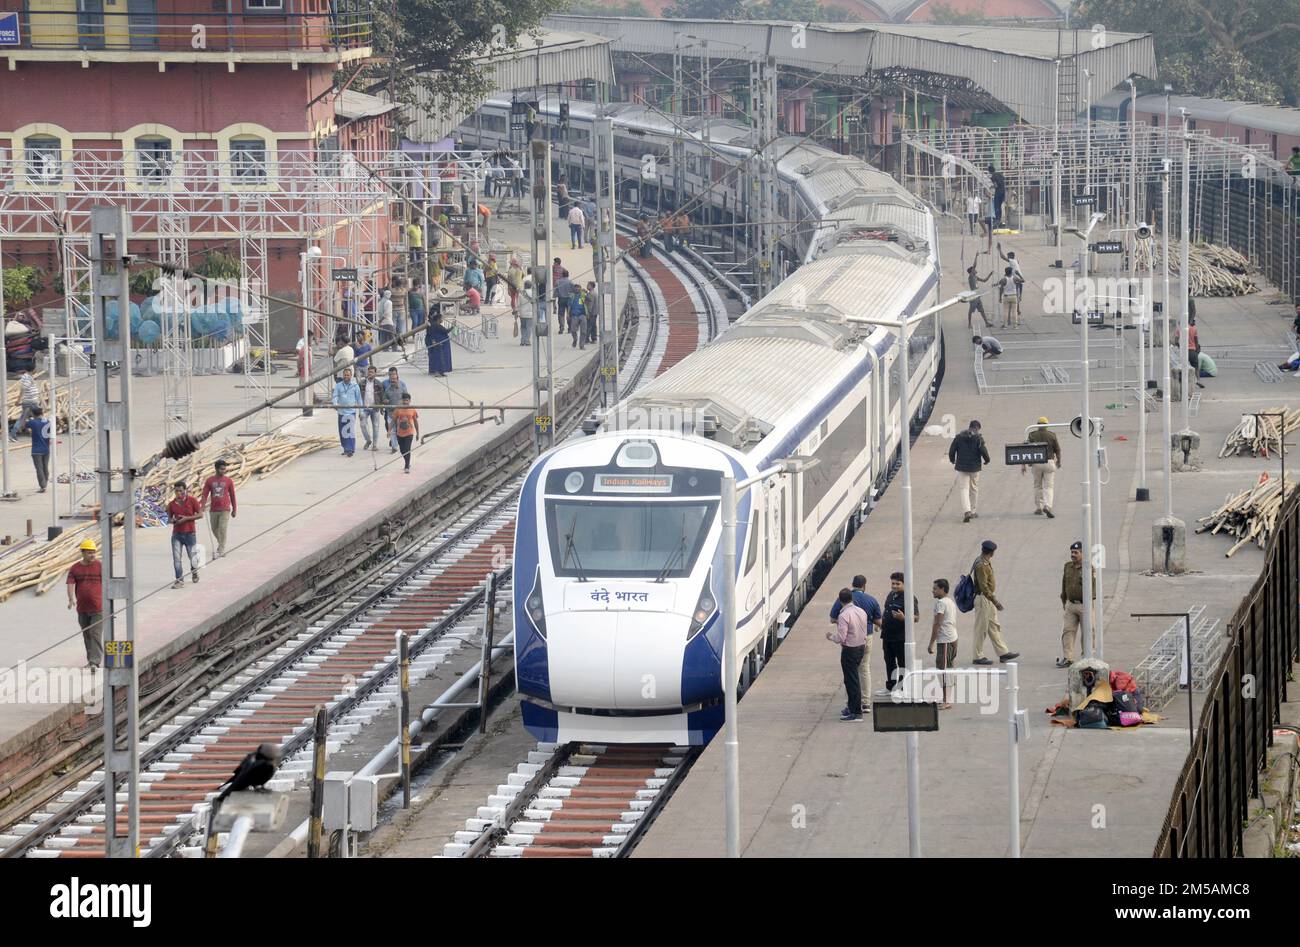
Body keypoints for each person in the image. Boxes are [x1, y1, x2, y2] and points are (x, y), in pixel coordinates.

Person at [830, 574, 882, 712]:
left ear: (852, 585)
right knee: (864, 668)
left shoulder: (844, 601)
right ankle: (865, 702)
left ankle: (851, 704)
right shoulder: (871, 600)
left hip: (849, 642)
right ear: (864, 586)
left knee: (850, 674)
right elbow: (879, 622)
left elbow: (832, 618)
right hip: (866, 638)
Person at [970, 540, 1019, 665]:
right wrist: (995, 601)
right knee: (981, 629)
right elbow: (984, 587)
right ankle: (977, 656)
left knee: (994, 625)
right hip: (984, 599)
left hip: (988, 599)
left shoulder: (984, 561)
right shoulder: (981, 565)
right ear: (991, 552)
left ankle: (1003, 653)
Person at [825, 588, 869, 722]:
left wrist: (831, 637)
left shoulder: (843, 615)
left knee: (851, 681)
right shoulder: (861, 611)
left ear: (840, 600)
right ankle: (852, 707)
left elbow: (841, 638)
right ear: (852, 598)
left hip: (850, 650)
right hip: (861, 647)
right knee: (853, 678)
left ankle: (856, 712)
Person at [879, 572, 920, 695]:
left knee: (902, 663)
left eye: (898, 584)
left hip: (900, 637)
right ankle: (890, 686)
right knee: (889, 662)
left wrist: (904, 617)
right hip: (887, 636)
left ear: (904, 584)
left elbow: (916, 618)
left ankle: (903, 688)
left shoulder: (909, 597)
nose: (895, 586)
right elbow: (886, 610)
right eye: (893, 583)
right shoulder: (891, 595)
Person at [66, 539, 103, 668]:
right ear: (82, 553)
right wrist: (71, 598)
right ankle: (90, 660)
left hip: (98, 608)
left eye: (93, 552)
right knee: (87, 635)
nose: (92, 555)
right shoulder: (75, 568)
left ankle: (95, 662)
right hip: (82, 609)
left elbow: (108, 582)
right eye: (89, 552)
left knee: (95, 634)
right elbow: (70, 583)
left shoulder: (100, 566)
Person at [1059, 540, 1096, 667]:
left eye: (1076, 552)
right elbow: (1064, 584)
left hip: (1084, 605)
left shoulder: (1088, 568)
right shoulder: (1067, 566)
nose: (1073, 555)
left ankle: (1087, 657)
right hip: (1070, 605)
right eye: (1072, 552)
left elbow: (1093, 586)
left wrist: (1090, 603)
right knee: (1067, 631)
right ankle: (1067, 658)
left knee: (1088, 632)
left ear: (1083, 554)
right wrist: (1064, 600)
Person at [948, 419, 990, 523]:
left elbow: (952, 450)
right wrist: (987, 460)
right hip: (974, 468)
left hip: (962, 467)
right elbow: (983, 450)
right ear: (978, 428)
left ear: (969, 426)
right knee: (974, 488)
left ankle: (967, 511)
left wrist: (952, 459)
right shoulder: (978, 438)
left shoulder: (959, 437)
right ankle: (973, 511)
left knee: (964, 489)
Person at [928, 579, 958, 709]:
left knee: (944, 670)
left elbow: (937, 624)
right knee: (947, 668)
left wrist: (931, 643)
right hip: (952, 638)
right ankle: (947, 698)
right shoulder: (950, 601)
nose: (933, 591)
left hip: (945, 640)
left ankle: (946, 700)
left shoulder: (940, 603)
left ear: (942, 589)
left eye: (935, 588)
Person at [166, 481, 203, 589]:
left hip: (190, 533)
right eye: (176, 491)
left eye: (181, 491)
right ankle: (179, 580)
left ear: (185, 490)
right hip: (177, 534)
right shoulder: (171, 504)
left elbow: (200, 514)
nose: (179, 493)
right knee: (177, 558)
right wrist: (173, 520)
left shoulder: (192, 501)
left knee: (192, 556)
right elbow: (169, 518)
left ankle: (194, 571)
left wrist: (187, 519)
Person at [1023, 416, 1061, 518]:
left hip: (1037, 462)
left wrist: (1024, 464)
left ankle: (1039, 507)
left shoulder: (1032, 435)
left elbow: (1025, 449)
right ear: (1047, 425)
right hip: (1049, 462)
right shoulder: (1052, 435)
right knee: (1049, 486)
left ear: (1037, 425)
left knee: (1037, 485)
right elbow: (1057, 450)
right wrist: (1059, 461)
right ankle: (1047, 506)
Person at [200, 459, 237, 559]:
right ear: (216, 469)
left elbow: (233, 495)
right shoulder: (210, 481)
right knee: (214, 529)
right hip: (213, 509)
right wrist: (202, 506)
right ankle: (221, 543)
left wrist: (234, 509)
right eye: (221, 469)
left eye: (225, 469)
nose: (223, 471)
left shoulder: (228, 481)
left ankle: (221, 548)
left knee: (222, 528)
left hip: (225, 509)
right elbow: (204, 494)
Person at [331, 366, 362, 457]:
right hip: (341, 412)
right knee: (342, 432)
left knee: (350, 431)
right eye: (345, 375)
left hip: (351, 412)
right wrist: (335, 404)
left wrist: (361, 411)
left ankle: (351, 449)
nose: (346, 376)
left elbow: (359, 399)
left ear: (351, 375)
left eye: (348, 375)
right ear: (343, 376)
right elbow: (335, 396)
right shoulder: (338, 385)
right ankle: (345, 448)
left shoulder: (355, 386)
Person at [380, 365, 410, 453]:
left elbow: (406, 398)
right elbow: (383, 397)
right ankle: (394, 446)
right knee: (391, 429)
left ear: (397, 376)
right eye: (391, 375)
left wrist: (407, 410)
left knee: (400, 429)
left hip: (400, 412)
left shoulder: (402, 386)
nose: (393, 378)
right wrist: (384, 402)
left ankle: (400, 443)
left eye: (394, 375)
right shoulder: (386, 387)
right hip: (390, 412)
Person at [25, 404, 51, 493]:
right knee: (45, 467)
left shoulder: (33, 422)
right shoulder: (48, 421)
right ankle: (45, 484)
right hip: (46, 449)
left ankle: (43, 486)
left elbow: (24, 425)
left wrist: (26, 414)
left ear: (33, 414)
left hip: (36, 450)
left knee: (39, 468)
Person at [8, 369, 39, 442]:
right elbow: (23, 389)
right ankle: (40, 435)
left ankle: (12, 435)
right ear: (32, 372)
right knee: (38, 418)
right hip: (31, 402)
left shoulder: (26, 377)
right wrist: (18, 400)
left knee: (22, 419)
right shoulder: (27, 377)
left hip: (28, 401)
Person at [392, 392, 420, 473]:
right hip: (400, 433)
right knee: (402, 450)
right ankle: (407, 461)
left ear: (409, 401)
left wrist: (418, 433)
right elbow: (393, 420)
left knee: (407, 449)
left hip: (409, 432)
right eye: (404, 400)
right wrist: (389, 430)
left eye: (407, 400)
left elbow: (415, 421)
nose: (405, 402)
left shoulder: (412, 409)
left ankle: (407, 466)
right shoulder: (398, 409)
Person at [358, 364, 383, 451]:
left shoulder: (379, 384)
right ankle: (368, 440)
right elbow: (358, 396)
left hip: (375, 408)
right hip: (364, 408)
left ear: (375, 373)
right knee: (363, 425)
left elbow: (381, 396)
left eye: (372, 372)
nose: (370, 374)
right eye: (369, 372)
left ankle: (375, 445)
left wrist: (381, 408)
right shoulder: (361, 383)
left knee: (375, 427)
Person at [426, 309, 452, 377]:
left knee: (440, 358)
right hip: (437, 344)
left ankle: (440, 371)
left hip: (438, 343)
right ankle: (437, 371)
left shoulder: (434, 324)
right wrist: (453, 327)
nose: (442, 319)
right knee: (438, 358)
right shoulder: (434, 324)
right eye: (441, 318)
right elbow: (444, 331)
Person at [966, 264, 992, 330]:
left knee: (982, 310)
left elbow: (984, 280)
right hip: (973, 296)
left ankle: (986, 323)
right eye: (974, 269)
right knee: (971, 311)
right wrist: (976, 256)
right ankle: (969, 324)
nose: (975, 270)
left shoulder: (975, 277)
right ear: (972, 271)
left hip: (978, 296)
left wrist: (990, 274)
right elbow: (974, 264)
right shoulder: (971, 276)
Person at [554, 268, 575, 335]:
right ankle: (570, 328)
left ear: (562, 275)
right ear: (568, 275)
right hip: (569, 299)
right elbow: (573, 292)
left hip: (561, 299)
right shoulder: (571, 282)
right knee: (569, 314)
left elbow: (555, 292)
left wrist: (554, 303)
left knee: (561, 315)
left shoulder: (558, 282)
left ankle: (561, 328)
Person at [584, 281, 600, 345]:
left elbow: (590, 304)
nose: (587, 286)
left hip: (591, 313)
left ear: (591, 286)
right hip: (595, 312)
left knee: (589, 326)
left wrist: (588, 313)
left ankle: (586, 339)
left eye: (588, 285)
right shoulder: (594, 293)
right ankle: (594, 338)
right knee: (593, 326)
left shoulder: (591, 294)